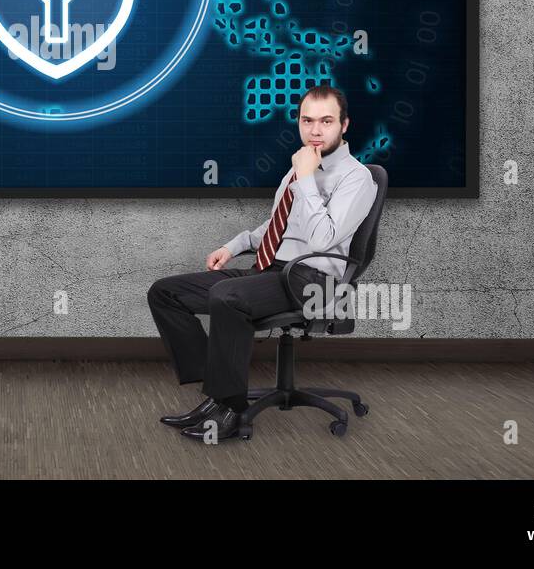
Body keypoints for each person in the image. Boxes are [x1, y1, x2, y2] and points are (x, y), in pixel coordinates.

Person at [146, 84, 378, 441]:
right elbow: (278, 225)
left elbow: (320, 239)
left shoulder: (356, 178)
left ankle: (228, 410)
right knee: (165, 293)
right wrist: (234, 245)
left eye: (326, 121)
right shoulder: (299, 167)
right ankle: (214, 395)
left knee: (227, 295)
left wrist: (305, 178)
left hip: (314, 279)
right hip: (271, 271)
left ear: (344, 125)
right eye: (307, 121)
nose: (315, 130)